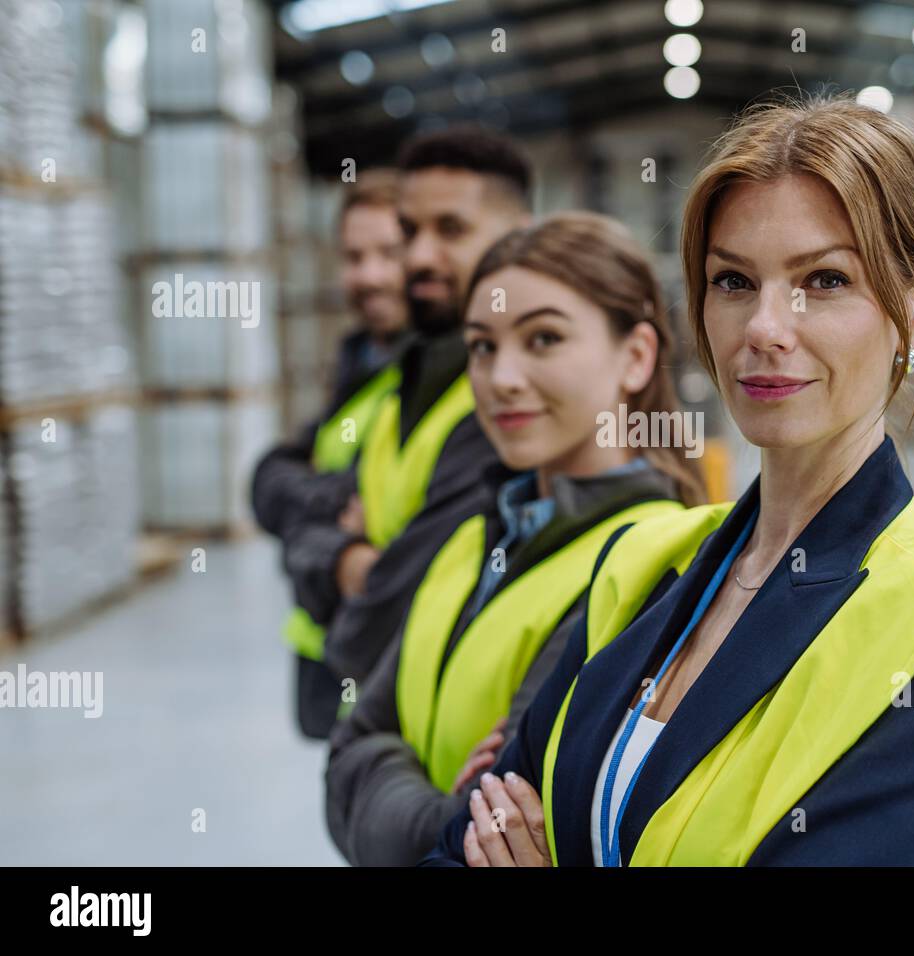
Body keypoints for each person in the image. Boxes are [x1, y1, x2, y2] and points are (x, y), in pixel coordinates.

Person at [421, 94, 914, 867]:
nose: (764, 327)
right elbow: (469, 839)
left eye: (824, 280)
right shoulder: (640, 565)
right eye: (732, 282)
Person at [325, 212, 706, 865]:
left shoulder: (653, 567)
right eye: (482, 345)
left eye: (544, 339)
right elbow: (349, 750)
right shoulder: (473, 538)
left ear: (636, 356)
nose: (501, 377)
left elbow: (496, 829)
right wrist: (438, 806)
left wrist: (403, 791)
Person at [254, 130, 534, 739]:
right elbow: (270, 483)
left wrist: (332, 562)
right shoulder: (398, 379)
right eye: (410, 232)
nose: (421, 258)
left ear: (519, 235)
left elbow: (390, 614)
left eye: (452, 230)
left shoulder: (509, 408)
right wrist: (344, 556)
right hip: (377, 729)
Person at [251, 169, 412, 738]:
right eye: (353, 256)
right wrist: (330, 510)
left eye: (388, 253)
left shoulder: (442, 380)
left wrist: (305, 516)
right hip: (331, 656)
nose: (369, 275)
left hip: (388, 671)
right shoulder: (361, 362)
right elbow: (267, 481)